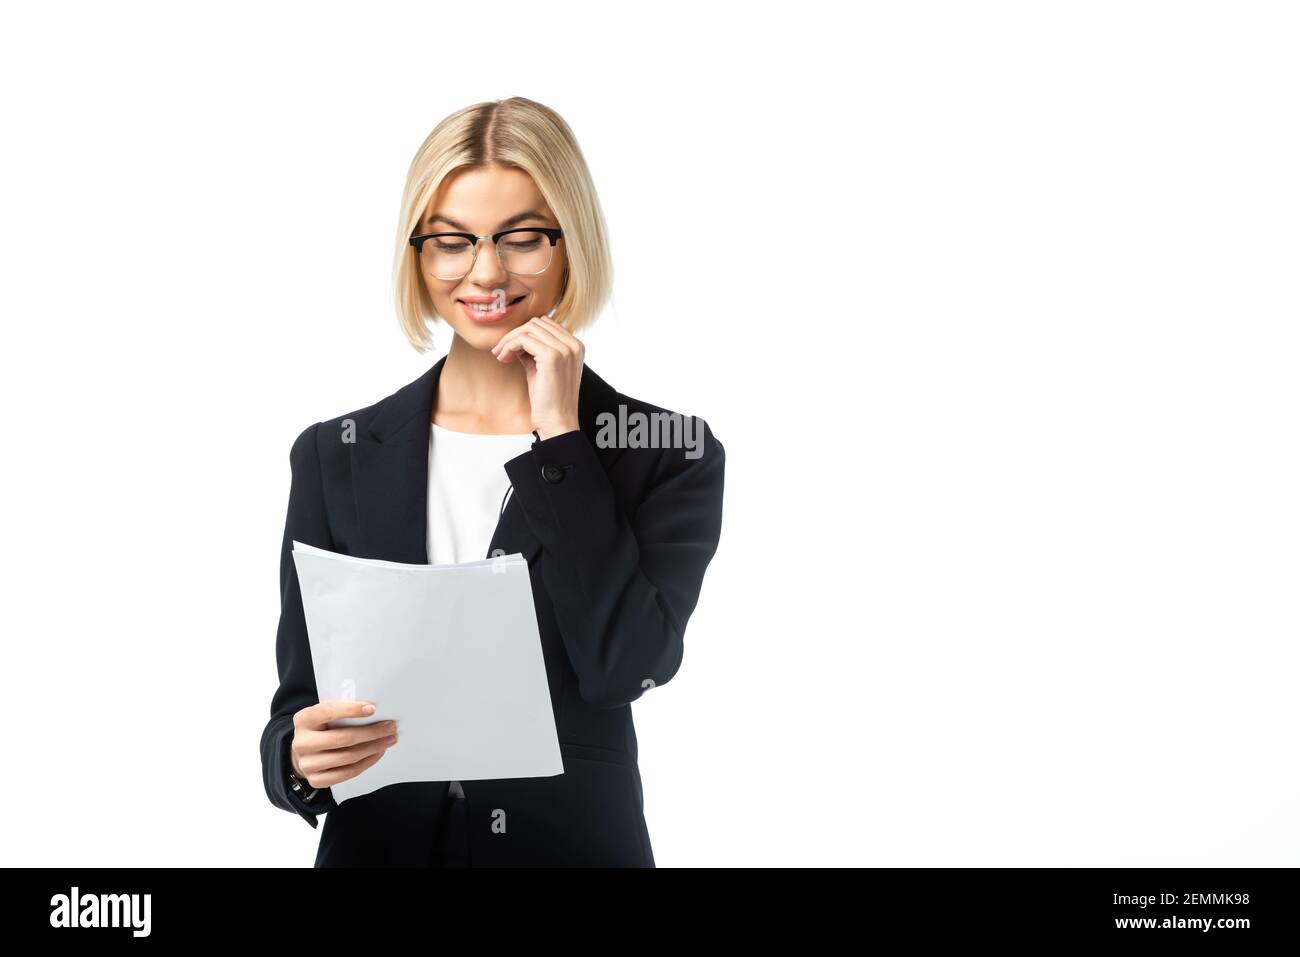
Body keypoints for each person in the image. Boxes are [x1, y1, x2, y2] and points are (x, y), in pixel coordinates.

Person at [258, 96, 725, 866]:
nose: (485, 272)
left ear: (571, 243)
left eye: (521, 238)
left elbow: (625, 664)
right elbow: (297, 707)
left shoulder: (667, 452)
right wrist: (297, 760)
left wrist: (562, 440)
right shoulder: (332, 454)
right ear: (420, 254)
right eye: (452, 241)